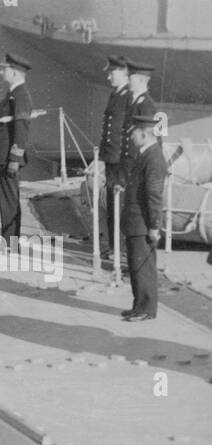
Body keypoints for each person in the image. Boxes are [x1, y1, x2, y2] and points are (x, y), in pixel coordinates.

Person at [120, 113, 167, 322]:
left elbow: (154, 195)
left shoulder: (154, 157)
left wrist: (154, 226)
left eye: (134, 133)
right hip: (135, 220)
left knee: (143, 267)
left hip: (143, 222)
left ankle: (147, 309)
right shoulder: (146, 154)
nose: (131, 137)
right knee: (135, 265)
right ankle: (139, 305)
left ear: (144, 134)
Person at [0, 53, 33, 248]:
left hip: (8, 156)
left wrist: (15, 157)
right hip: (4, 155)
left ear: (14, 72)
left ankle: (10, 242)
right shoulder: (13, 94)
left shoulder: (21, 95)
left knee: (9, 199)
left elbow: (22, 128)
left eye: (4, 69)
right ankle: (9, 240)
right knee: (7, 198)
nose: (1, 72)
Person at [98, 56, 131, 256]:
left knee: (122, 205)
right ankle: (114, 246)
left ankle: (123, 250)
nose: (109, 76)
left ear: (123, 73)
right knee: (112, 205)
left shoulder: (129, 96)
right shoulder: (115, 94)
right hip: (112, 158)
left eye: (112, 72)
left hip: (121, 159)